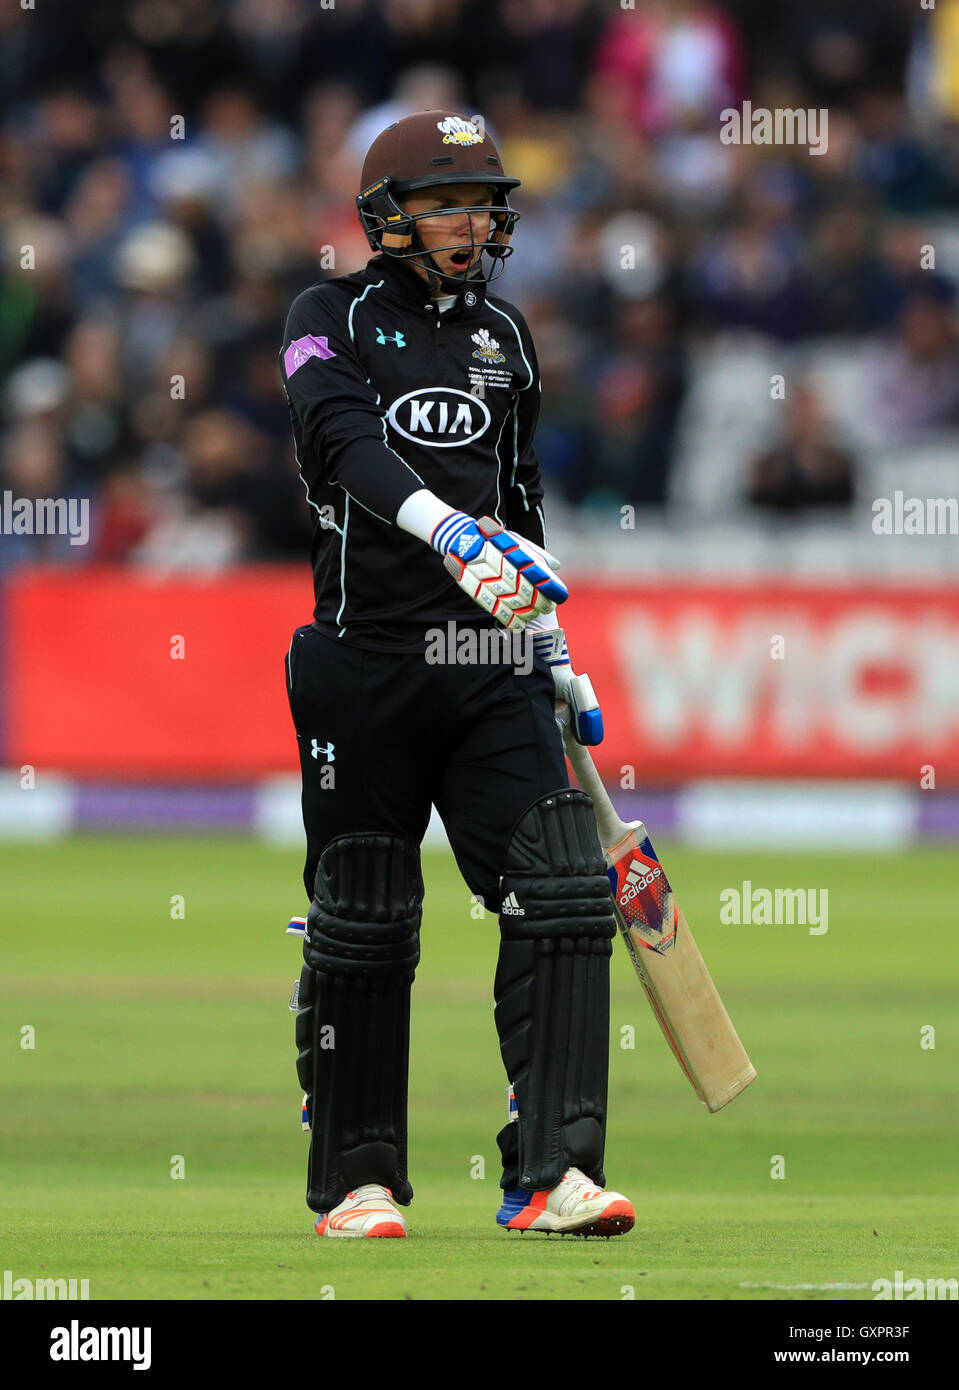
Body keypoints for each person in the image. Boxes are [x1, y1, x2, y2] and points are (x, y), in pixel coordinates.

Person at [279, 110, 635, 1239]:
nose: (469, 221)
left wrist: (556, 653)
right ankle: (357, 1179)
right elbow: (343, 445)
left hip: (489, 664)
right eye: (445, 200)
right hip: (364, 658)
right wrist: (446, 531)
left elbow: (520, 509)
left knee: (566, 893)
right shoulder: (320, 318)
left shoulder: (508, 338)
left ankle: (551, 1173)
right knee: (370, 916)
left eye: (482, 200)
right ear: (389, 214)